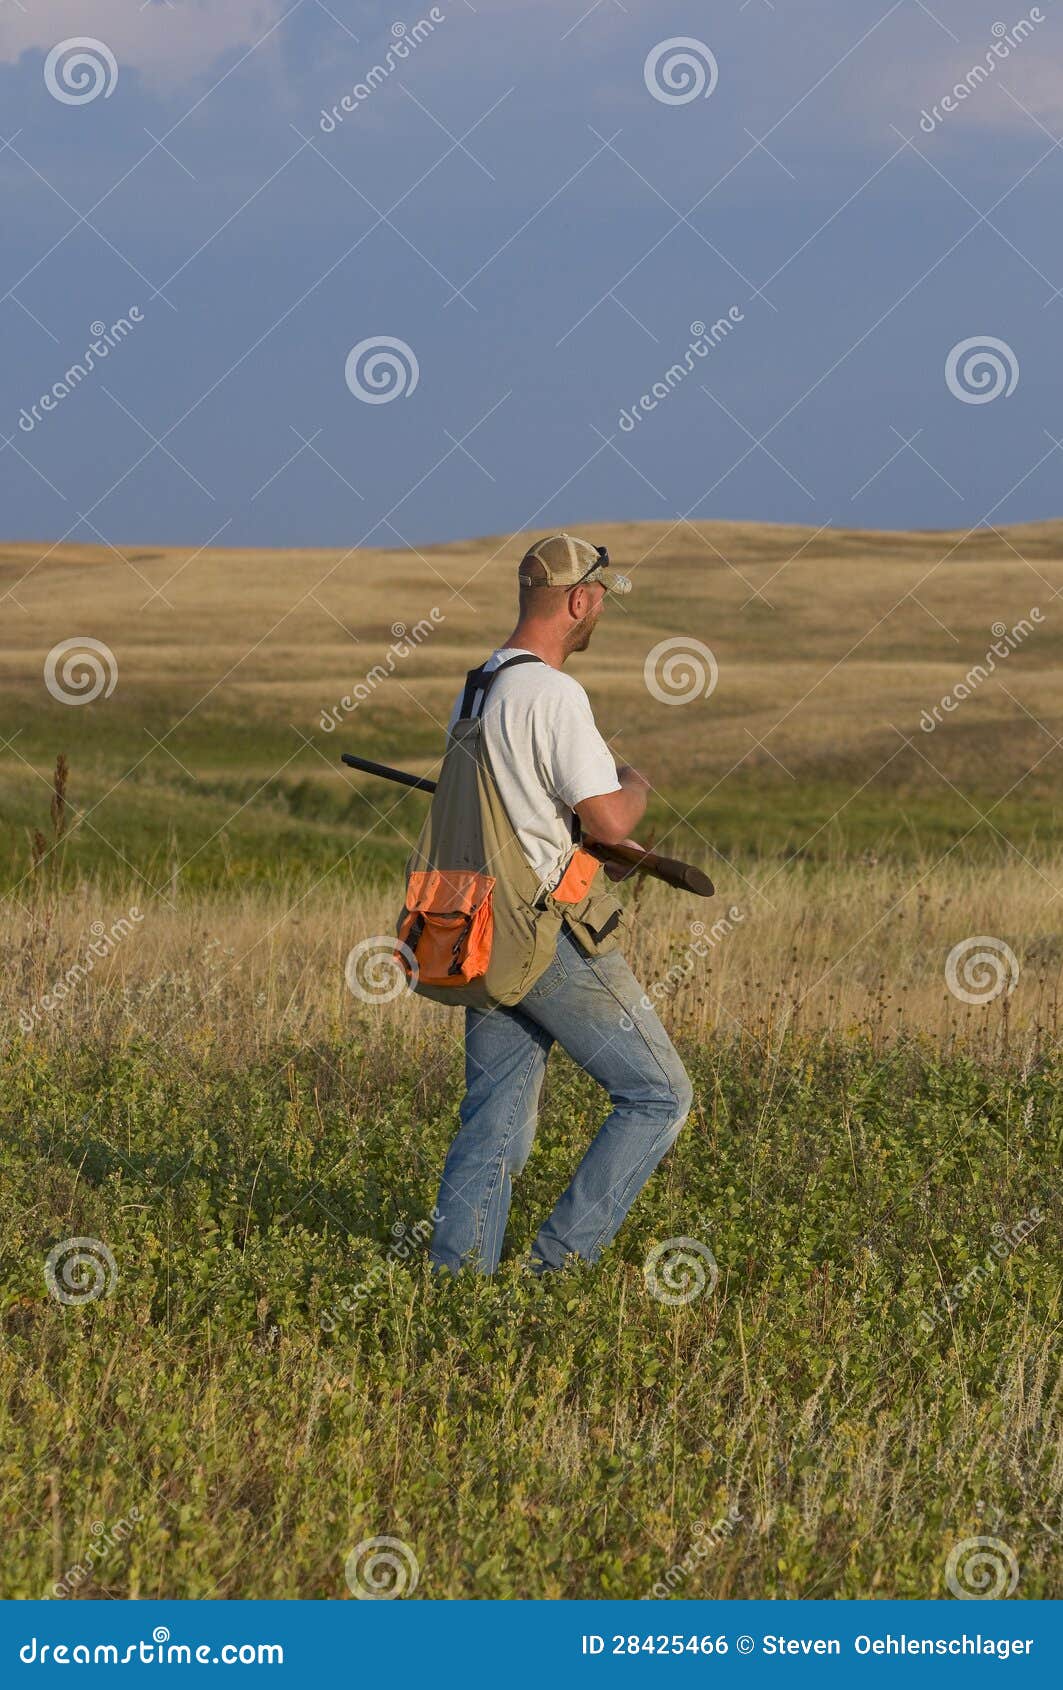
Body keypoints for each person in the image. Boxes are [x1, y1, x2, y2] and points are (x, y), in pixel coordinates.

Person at [429, 533, 693, 1275]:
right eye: (600, 598)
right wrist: (634, 782)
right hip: (543, 937)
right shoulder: (552, 692)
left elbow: (514, 811)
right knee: (656, 1095)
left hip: (478, 926)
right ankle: (556, 1273)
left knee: (493, 1116)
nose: (600, 611)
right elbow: (606, 817)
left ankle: (457, 1285)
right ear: (579, 600)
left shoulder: (480, 683)